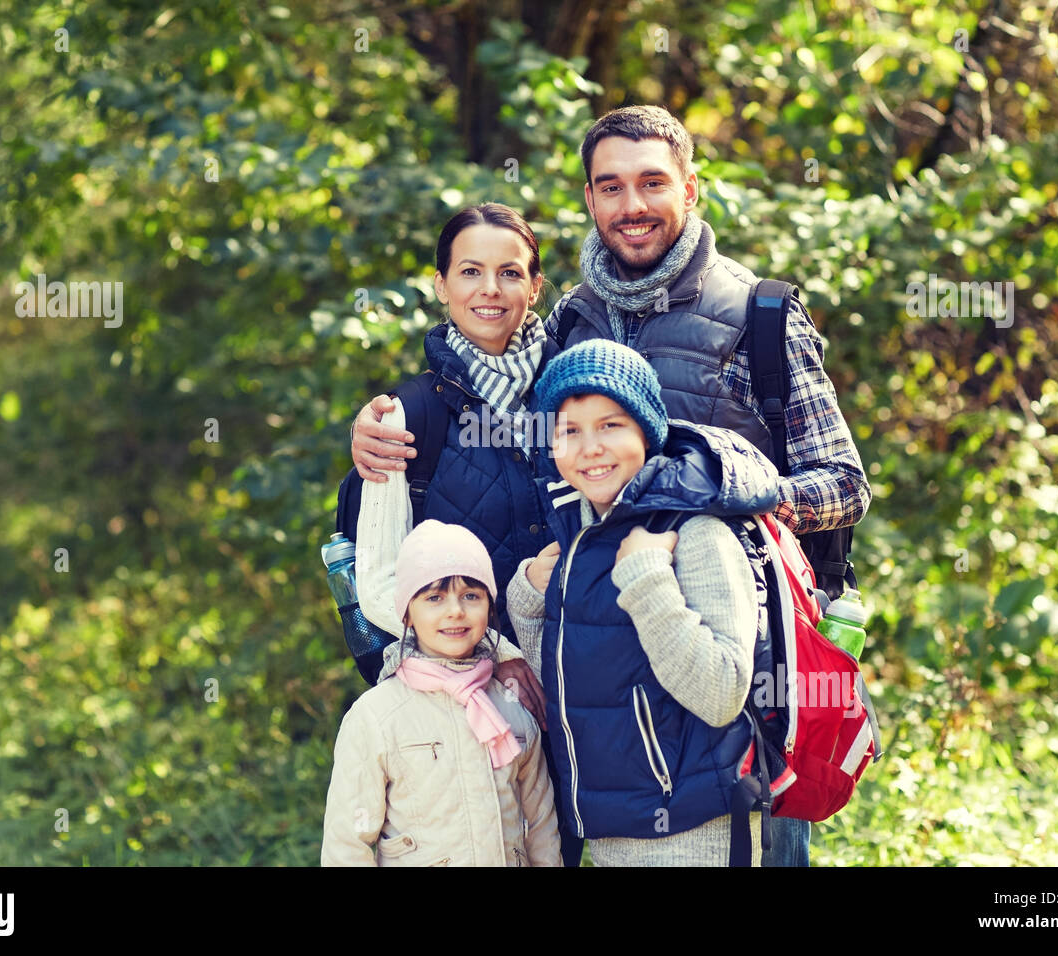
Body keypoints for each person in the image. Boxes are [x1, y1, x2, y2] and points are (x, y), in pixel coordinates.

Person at [351, 105, 871, 866]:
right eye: (611, 187)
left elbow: (845, 485)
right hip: (603, 694)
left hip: (742, 683)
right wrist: (377, 427)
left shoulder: (758, 313)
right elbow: (488, 397)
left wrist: (719, 499)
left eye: (653, 183)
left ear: (691, 189)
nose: (632, 206)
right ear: (590, 200)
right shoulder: (572, 319)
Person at [505, 339, 779, 866]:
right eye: (569, 431)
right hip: (609, 830)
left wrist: (646, 577)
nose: (590, 448)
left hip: (691, 829)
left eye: (611, 425)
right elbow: (572, 685)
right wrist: (530, 595)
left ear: (646, 431)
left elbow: (722, 692)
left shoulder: (695, 531)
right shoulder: (582, 536)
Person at [351, 202, 559, 726]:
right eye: (470, 271)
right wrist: (500, 655)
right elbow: (380, 585)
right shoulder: (404, 416)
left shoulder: (578, 396)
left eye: (510, 273)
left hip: (584, 691)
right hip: (465, 703)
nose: (490, 288)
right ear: (442, 285)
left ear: (534, 288)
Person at [321, 520, 562, 867]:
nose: (455, 610)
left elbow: (541, 826)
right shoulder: (375, 716)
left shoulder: (511, 709)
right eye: (434, 597)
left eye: (471, 596)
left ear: (490, 608)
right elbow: (347, 844)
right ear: (406, 613)